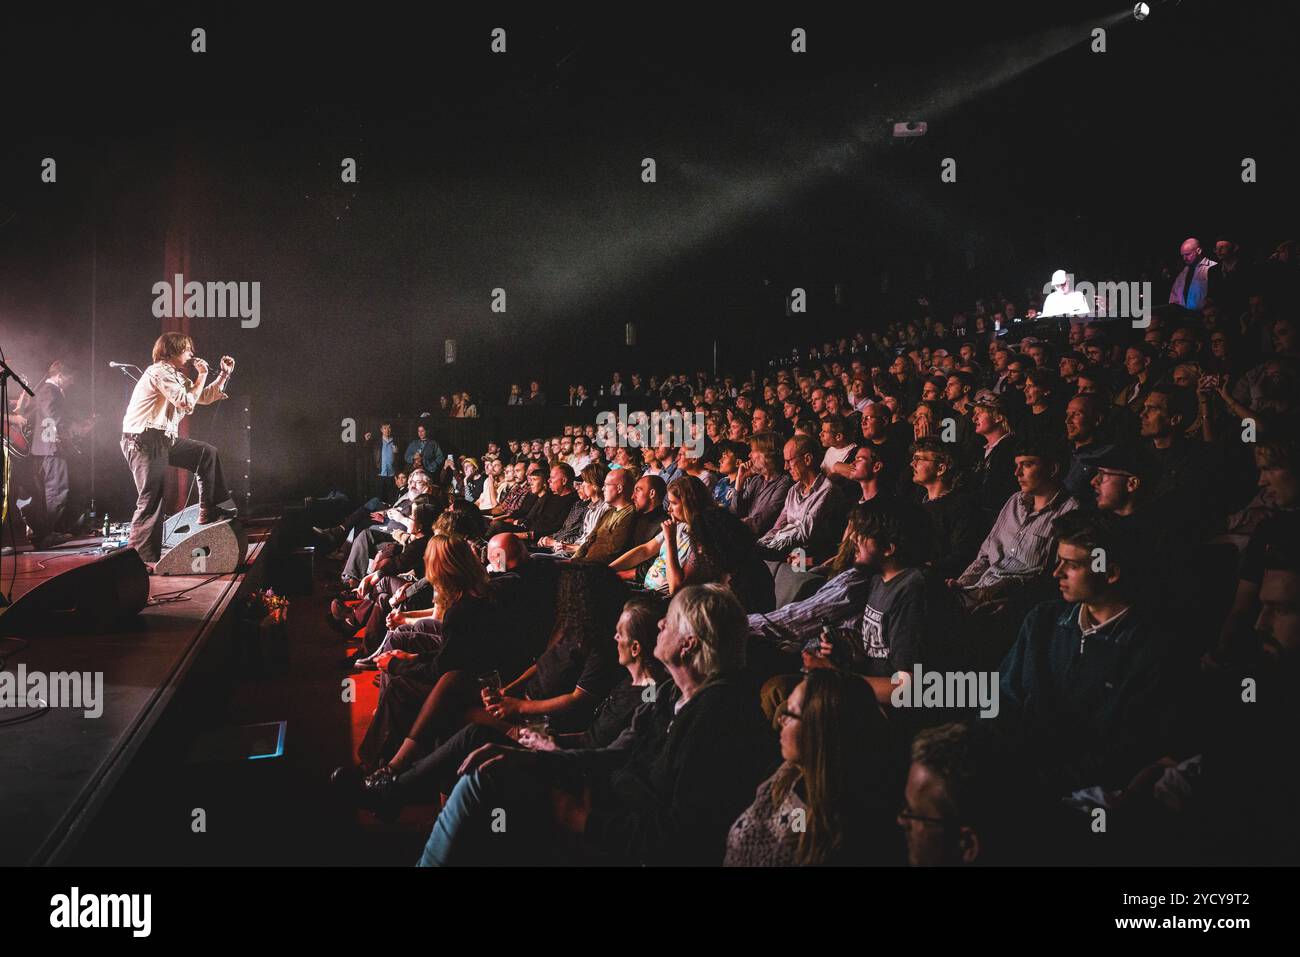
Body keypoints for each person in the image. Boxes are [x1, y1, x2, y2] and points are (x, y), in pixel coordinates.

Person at [416, 584, 776, 866]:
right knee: (490, 765)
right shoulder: (668, 694)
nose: (661, 624)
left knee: (486, 780)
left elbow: (680, 837)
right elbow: (613, 754)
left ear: (689, 644)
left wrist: (580, 819)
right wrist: (532, 759)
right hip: (599, 794)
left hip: (610, 825)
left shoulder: (717, 719)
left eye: (670, 619)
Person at [725, 669, 905, 865]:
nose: (780, 720)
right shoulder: (784, 777)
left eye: (791, 714)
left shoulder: (839, 831)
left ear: (818, 729)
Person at [119, 333, 236, 567]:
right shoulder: (159, 372)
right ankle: (139, 561)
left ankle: (208, 510)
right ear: (171, 350)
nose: (191, 354)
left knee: (206, 453)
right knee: (151, 498)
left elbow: (202, 396)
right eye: (187, 349)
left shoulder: (174, 374)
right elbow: (186, 402)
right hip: (143, 439)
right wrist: (201, 374)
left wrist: (223, 374)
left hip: (163, 438)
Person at [27, 360, 78, 548]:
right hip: (51, 447)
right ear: (60, 375)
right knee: (56, 489)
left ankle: (48, 532)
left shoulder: (51, 391)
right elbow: (51, 417)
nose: (71, 382)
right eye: (70, 378)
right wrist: (67, 432)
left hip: (49, 446)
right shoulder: (50, 390)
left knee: (54, 489)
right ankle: (47, 534)